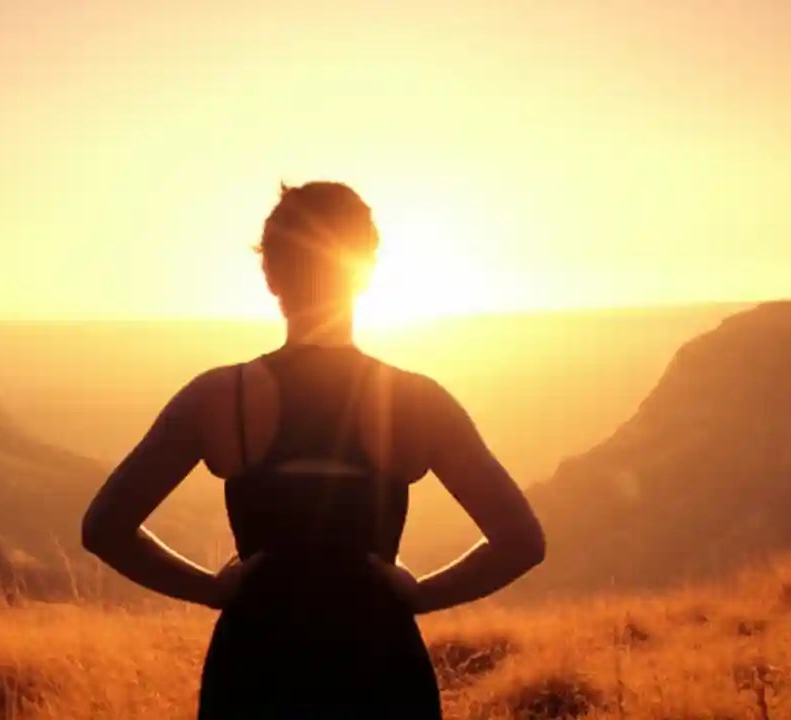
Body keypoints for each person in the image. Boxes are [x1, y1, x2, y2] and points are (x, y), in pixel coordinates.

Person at [81, 181, 546, 718]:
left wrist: (211, 589)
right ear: (366, 273)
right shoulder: (416, 401)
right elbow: (521, 540)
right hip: (381, 668)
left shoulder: (218, 398)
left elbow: (105, 528)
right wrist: (420, 595)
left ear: (270, 276)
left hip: (256, 669)